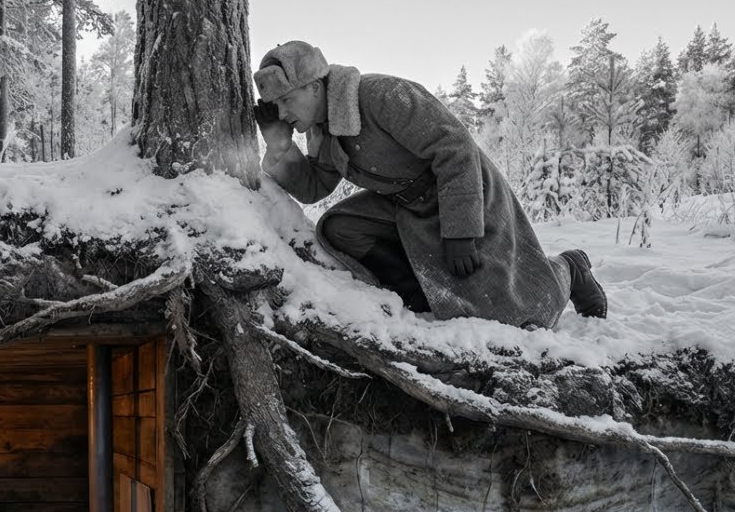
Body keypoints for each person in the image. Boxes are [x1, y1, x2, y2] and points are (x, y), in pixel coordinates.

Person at [252, 40, 607, 328]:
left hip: (465, 195)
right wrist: (280, 147)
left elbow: (455, 150)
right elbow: (315, 187)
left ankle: (569, 269)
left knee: (521, 314)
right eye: (276, 105)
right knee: (341, 228)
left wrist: (460, 232)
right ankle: (422, 294)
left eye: (286, 100)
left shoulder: (381, 95)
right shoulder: (322, 129)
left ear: (315, 87)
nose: (282, 113)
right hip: (409, 209)